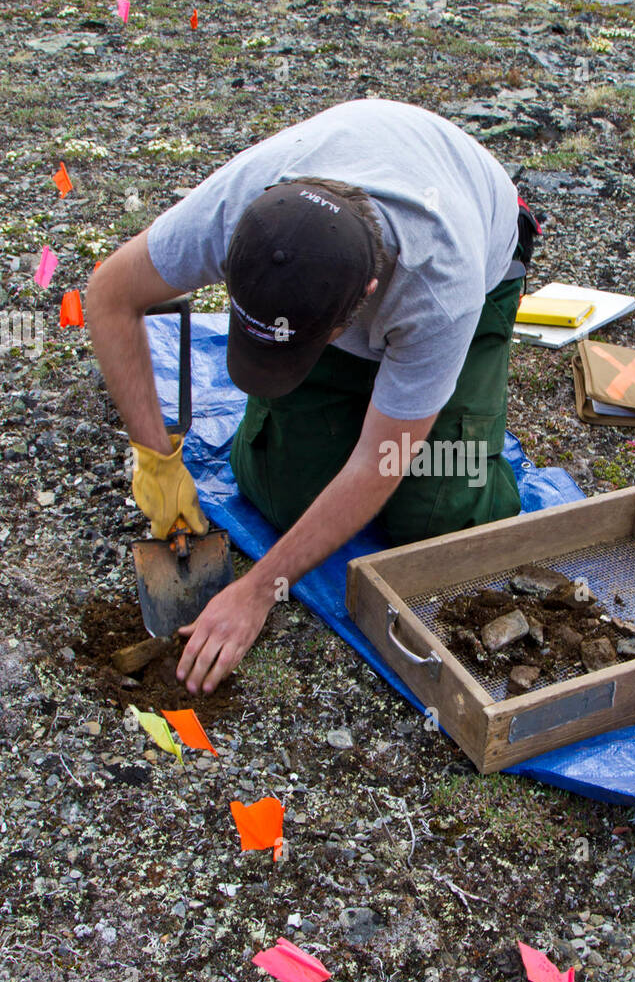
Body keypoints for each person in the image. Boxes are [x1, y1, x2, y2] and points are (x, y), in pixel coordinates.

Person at [86, 98, 540, 696]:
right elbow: (109, 295)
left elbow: (382, 462)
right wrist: (158, 460)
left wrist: (259, 590)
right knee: (283, 493)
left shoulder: (440, 285)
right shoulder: (237, 213)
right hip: (335, 275)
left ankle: (466, 456)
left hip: (483, 267)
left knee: (439, 522)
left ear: (363, 299)